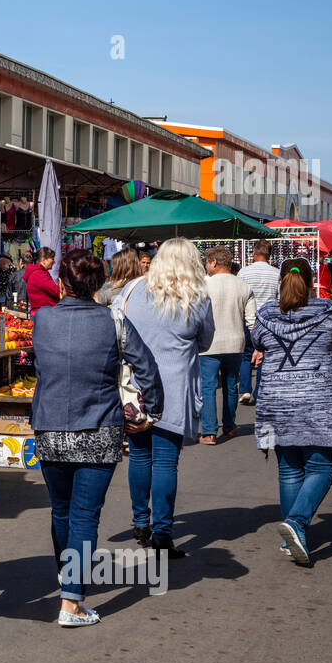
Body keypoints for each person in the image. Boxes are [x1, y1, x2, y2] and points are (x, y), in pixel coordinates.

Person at [31, 249, 162, 626]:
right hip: (99, 427)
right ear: (98, 284)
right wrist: (151, 411)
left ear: (60, 284)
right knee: (85, 515)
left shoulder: (42, 320)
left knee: (61, 510)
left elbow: (41, 365)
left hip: (51, 426)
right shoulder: (114, 320)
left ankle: (66, 573)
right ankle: (71, 601)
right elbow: (146, 367)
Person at [112, 238, 215, 558]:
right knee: (167, 462)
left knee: (140, 457)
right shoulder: (196, 296)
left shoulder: (132, 291)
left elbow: (114, 328)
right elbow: (206, 340)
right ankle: (162, 534)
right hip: (175, 387)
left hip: (136, 387)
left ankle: (140, 522)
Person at [250, 258, 332, 565]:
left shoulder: (266, 316)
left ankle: (294, 538)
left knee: (289, 469)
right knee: (321, 469)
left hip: (276, 402)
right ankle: (296, 523)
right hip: (318, 403)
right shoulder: (327, 312)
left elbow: (256, 341)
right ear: (311, 284)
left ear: (280, 283)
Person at [198, 246, 256, 444]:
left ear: (214, 262)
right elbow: (252, 321)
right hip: (235, 342)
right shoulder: (243, 286)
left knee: (208, 387)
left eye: (207, 262)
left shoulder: (203, 286)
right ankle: (229, 426)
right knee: (231, 385)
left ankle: (209, 431)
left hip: (208, 345)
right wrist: (258, 346)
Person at [238, 240, 279, 404]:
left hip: (248, 317)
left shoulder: (244, 272)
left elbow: (239, 295)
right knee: (266, 355)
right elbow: (280, 298)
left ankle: (245, 390)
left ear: (254, 253)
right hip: (268, 320)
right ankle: (259, 391)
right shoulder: (276, 273)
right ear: (268, 255)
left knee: (246, 354)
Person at [25, 246, 61, 313]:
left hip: (41, 311)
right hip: (44, 313)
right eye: (52, 258)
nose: (54, 262)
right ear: (44, 259)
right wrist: (61, 284)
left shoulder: (38, 272)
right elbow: (56, 291)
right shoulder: (39, 274)